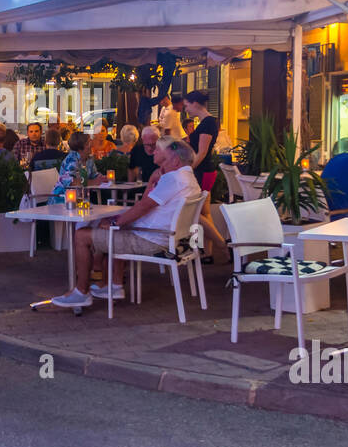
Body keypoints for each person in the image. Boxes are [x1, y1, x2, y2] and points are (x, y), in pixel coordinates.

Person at [51, 139, 202, 308]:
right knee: (117, 228)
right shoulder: (190, 179)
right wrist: (151, 182)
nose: (156, 153)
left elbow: (144, 206)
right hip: (168, 238)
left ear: (175, 161)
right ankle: (115, 286)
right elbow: (146, 204)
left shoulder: (174, 179)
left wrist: (116, 222)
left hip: (151, 240)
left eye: (164, 156)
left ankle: (81, 293)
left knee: (82, 235)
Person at [183, 90, 221, 191]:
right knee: (202, 203)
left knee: (199, 202)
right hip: (203, 170)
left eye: (186, 106)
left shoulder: (207, 123)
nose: (186, 110)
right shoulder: (206, 122)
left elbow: (202, 152)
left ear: (194, 104)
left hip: (202, 171)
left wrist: (188, 170)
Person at [50, 130, 93, 202]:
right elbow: (71, 182)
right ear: (80, 147)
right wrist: (93, 182)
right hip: (63, 199)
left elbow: (95, 176)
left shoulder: (89, 159)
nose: (91, 144)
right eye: (88, 143)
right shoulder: (71, 159)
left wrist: (104, 179)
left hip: (81, 198)